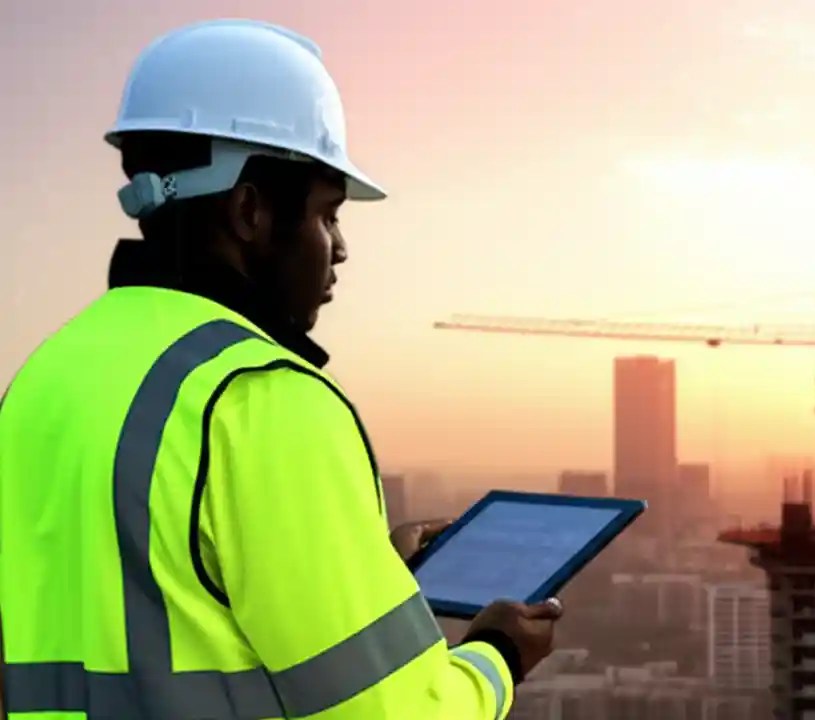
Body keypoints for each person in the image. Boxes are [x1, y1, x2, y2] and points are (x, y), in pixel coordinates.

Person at [0, 18, 561, 719]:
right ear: (250, 210)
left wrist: (360, 570)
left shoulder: (43, 378)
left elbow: (148, 601)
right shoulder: (260, 397)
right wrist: (495, 655)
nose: (340, 249)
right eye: (328, 216)